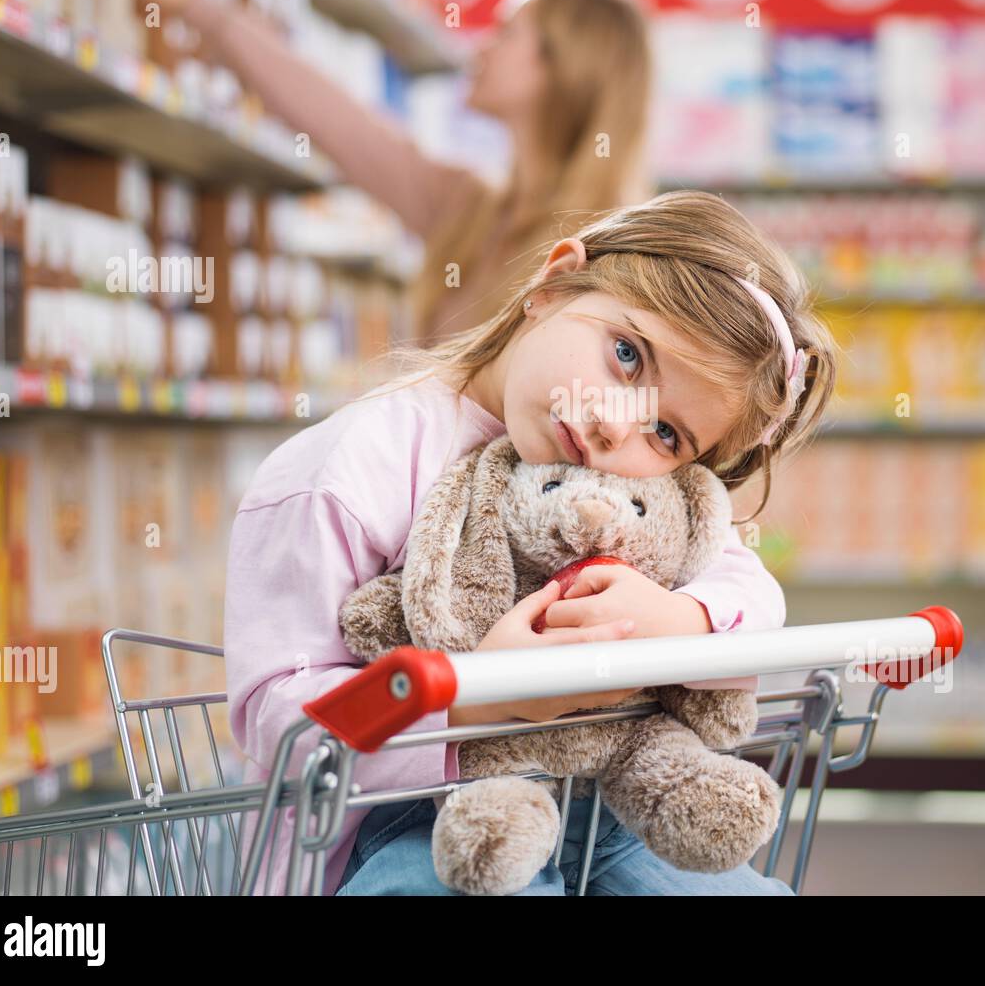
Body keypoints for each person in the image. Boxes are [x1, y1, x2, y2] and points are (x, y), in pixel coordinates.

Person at [224, 189, 838, 895]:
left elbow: (750, 588)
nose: (616, 425)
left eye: (666, 433)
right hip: (403, 826)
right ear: (551, 284)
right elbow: (283, 726)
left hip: (598, 817)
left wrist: (682, 622)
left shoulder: (618, 491)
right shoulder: (351, 468)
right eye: (627, 356)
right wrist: (480, 700)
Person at [123, 0, 653, 343]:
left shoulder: (607, 252)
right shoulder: (469, 205)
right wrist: (200, 11)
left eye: (506, 32)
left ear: (561, 71)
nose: (480, 47)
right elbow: (339, 122)